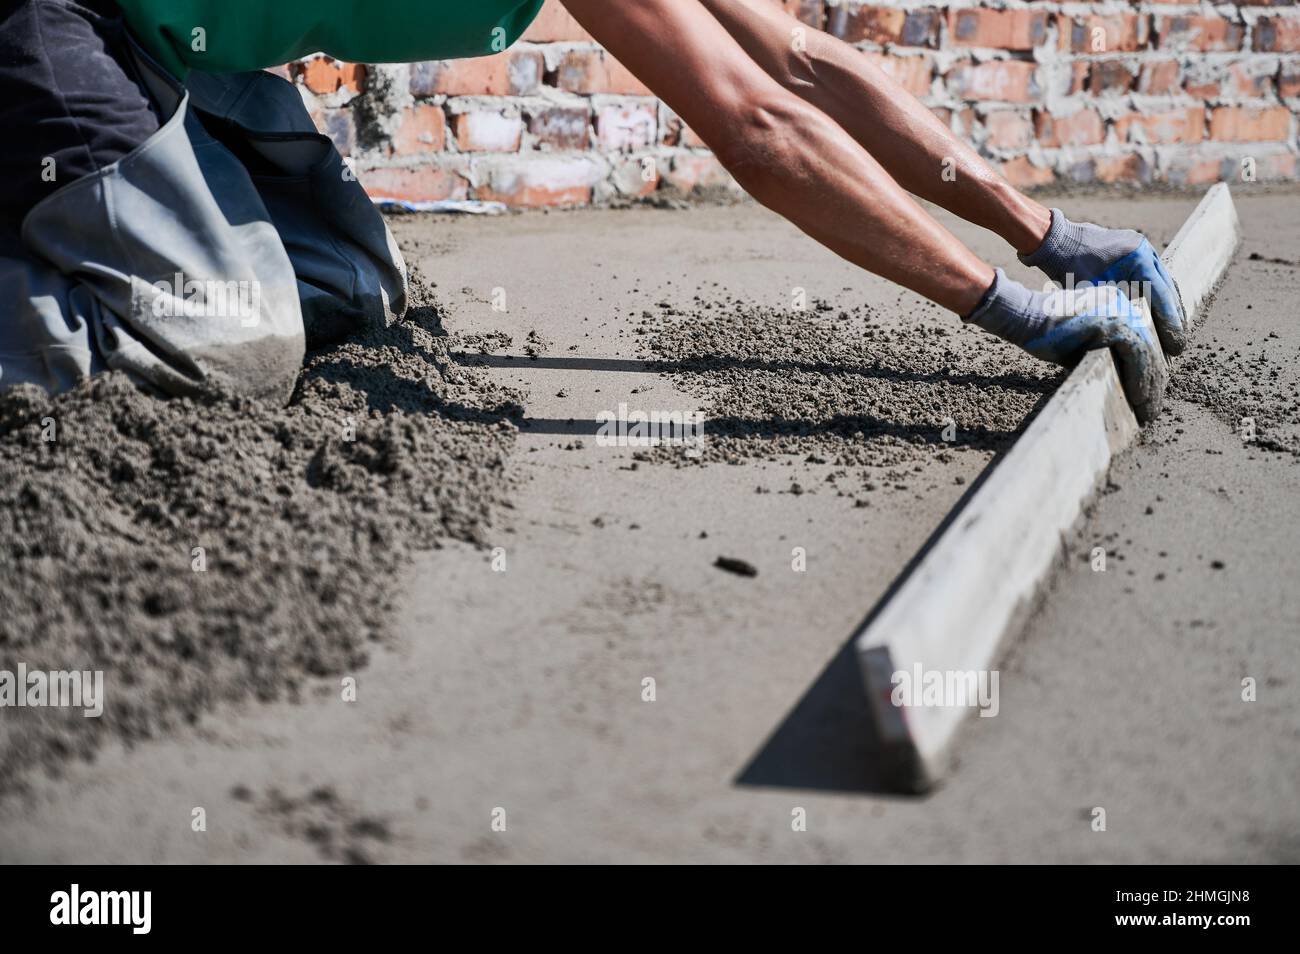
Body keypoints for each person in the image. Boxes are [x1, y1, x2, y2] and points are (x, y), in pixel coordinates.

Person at [0, 0, 1182, 420]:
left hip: (176, 51)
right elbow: (757, 131)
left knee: (347, 291)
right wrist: (1009, 311)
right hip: (65, 25)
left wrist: (1046, 234)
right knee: (231, 339)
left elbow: (804, 65)